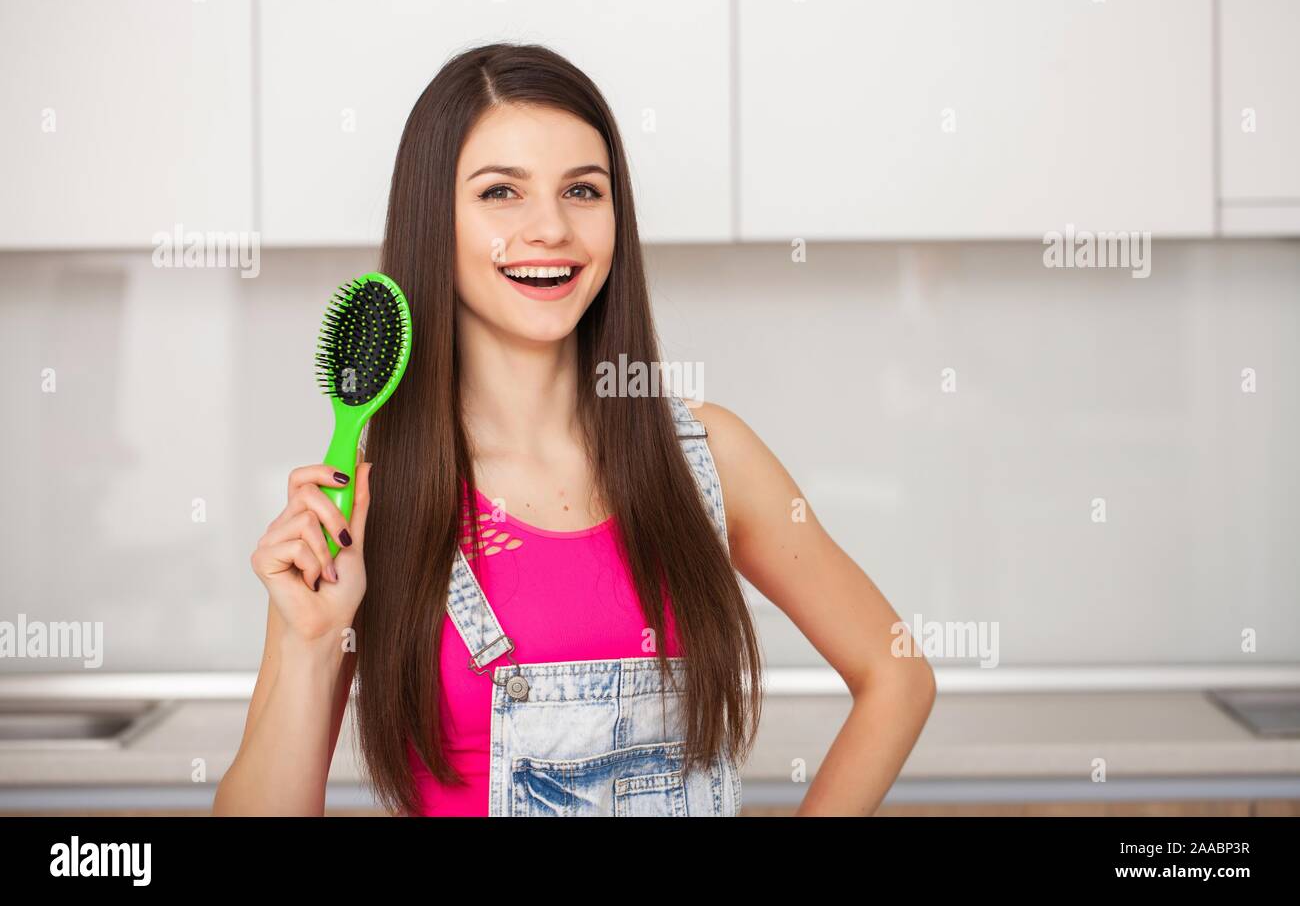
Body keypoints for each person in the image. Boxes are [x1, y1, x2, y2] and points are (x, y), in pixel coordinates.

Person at [214, 43, 934, 817]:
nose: (551, 228)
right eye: (500, 193)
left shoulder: (709, 461)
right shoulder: (358, 509)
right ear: (435, 219)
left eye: (582, 191)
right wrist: (312, 644)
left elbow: (897, 674)